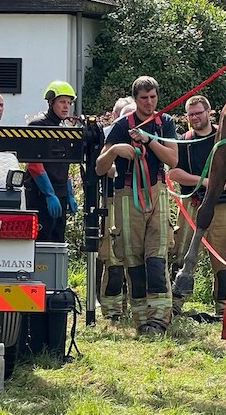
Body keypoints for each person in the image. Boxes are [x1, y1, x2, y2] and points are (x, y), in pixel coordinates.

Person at [96, 76, 178, 336]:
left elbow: (173, 160)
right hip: (126, 194)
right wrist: (115, 150)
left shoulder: (165, 123)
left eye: (153, 97)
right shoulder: (122, 125)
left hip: (157, 192)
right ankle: (142, 318)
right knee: (133, 258)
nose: (149, 102)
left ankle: (160, 318)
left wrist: (149, 141)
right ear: (136, 98)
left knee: (156, 257)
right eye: (144, 98)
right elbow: (100, 166)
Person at [168, 95, 226, 319]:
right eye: (191, 114)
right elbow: (173, 172)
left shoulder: (225, 138)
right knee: (181, 253)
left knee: (224, 258)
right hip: (193, 205)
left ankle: (223, 309)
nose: (195, 117)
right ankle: (174, 306)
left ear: (209, 112)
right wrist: (205, 181)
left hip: (222, 206)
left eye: (199, 112)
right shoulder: (185, 140)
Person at [24, 81, 80, 243]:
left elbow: (64, 164)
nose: (66, 106)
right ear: (50, 101)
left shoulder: (64, 129)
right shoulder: (37, 126)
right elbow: (34, 164)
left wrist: (69, 194)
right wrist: (49, 194)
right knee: (41, 242)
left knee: (58, 242)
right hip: (41, 196)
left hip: (60, 194)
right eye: (62, 101)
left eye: (69, 103)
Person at [98, 97, 135, 322]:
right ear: (115, 117)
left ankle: (132, 305)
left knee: (135, 255)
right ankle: (112, 310)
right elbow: (104, 168)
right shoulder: (105, 137)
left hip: (137, 201)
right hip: (111, 200)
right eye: (124, 117)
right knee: (112, 257)